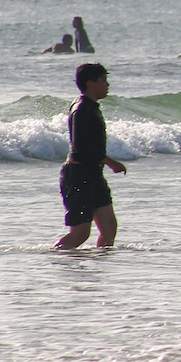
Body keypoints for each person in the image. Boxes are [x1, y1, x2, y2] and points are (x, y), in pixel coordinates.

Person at [55, 62, 126, 249]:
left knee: (109, 228)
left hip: (93, 173)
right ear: (91, 83)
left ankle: (102, 267)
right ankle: (55, 259)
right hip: (78, 175)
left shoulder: (91, 106)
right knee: (80, 234)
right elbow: (81, 147)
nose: (107, 84)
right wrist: (110, 161)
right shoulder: (82, 109)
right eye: (103, 80)